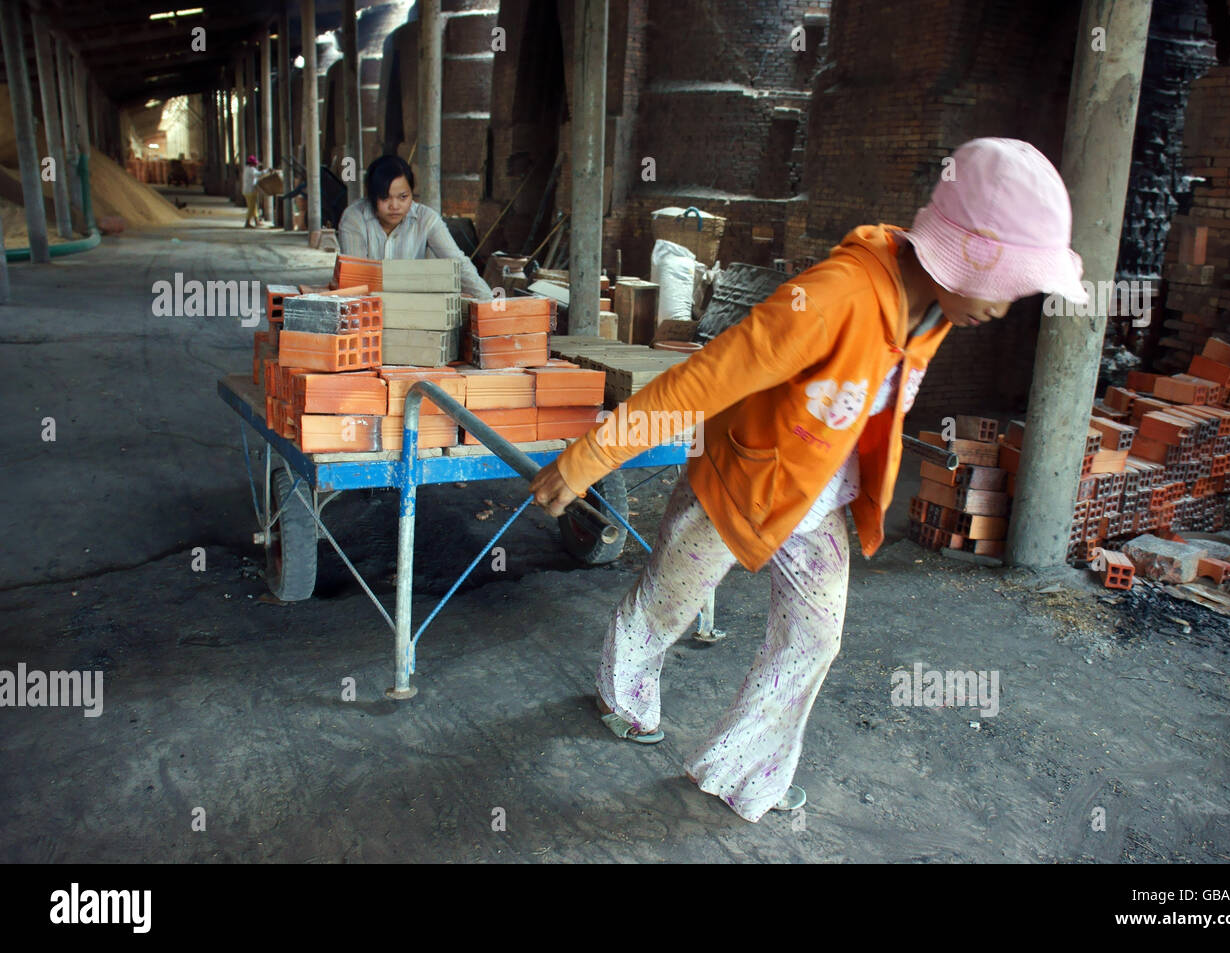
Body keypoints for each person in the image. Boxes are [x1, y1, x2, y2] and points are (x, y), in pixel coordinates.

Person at [528, 137, 1090, 822]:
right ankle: (624, 691)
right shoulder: (833, 297)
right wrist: (591, 455)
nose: (1001, 311)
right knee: (668, 601)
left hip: (816, 494)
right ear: (961, 251)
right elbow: (709, 376)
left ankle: (745, 770)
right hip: (738, 481)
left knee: (814, 637)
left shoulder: (941, 312)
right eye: (1003, 288)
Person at [338, 155, 493, 300]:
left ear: (412, 193)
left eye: (403, 197)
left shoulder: (426, 219)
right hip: (367, 309)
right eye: (385, 198)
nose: (395, 206)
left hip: (411, 306)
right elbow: (355, 280)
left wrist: (489, 303)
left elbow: (459, 264)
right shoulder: (354, 219)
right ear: (372, 197)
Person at [241, 155, 263, 228]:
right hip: (250, 191)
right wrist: (267, 170)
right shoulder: (251, 169)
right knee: (251, 207)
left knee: (254, 207)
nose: (255, 164)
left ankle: (257, 221)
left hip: (247, 191)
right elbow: (258, 174)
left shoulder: (247, 169)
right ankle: (247, 223)